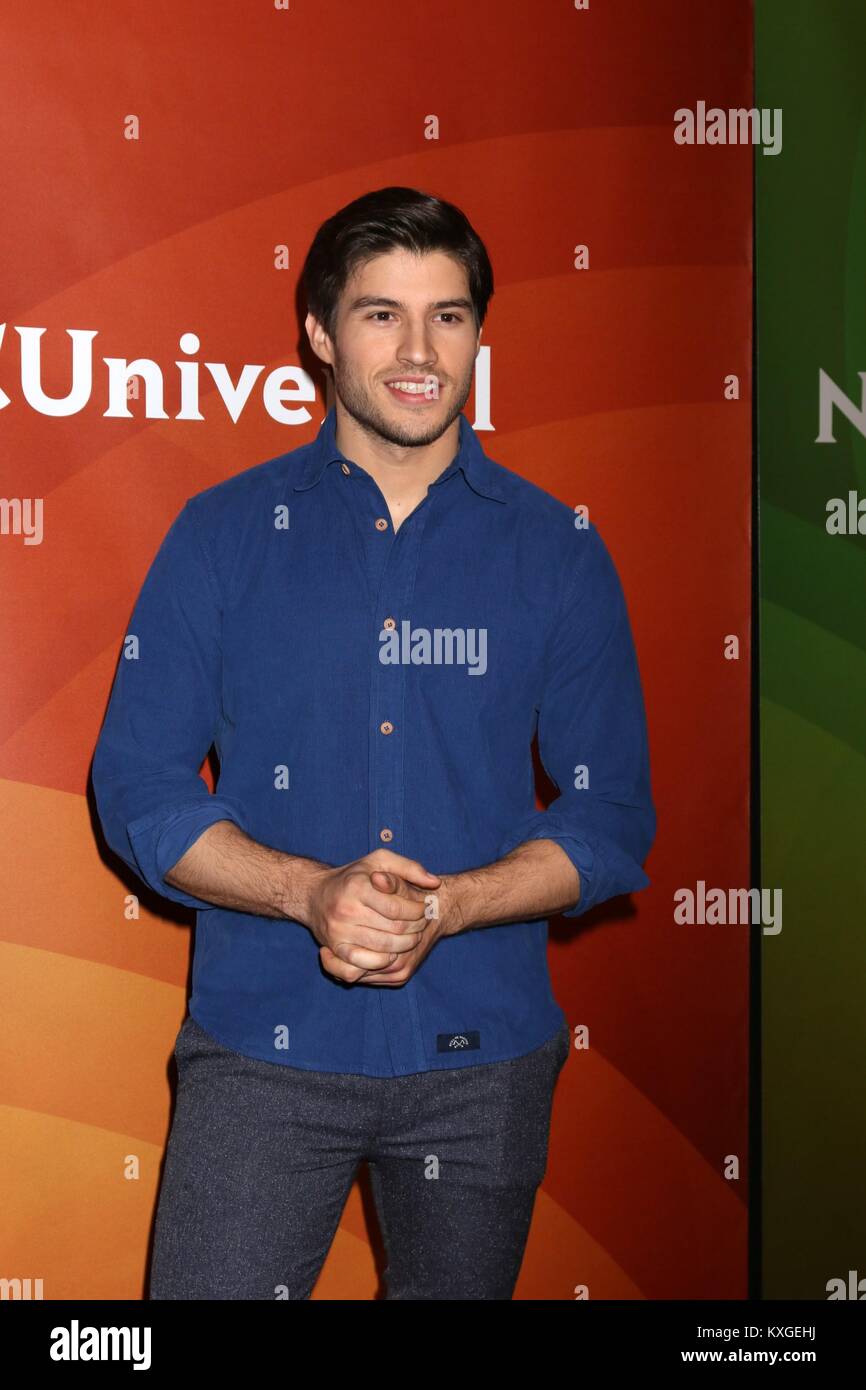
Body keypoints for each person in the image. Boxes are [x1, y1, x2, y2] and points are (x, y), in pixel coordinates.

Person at [91, 185, 656, 1300]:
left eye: (446, 316)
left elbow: (608, 818)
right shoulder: (222, 534)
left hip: (482, 1058)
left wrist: (448, 906)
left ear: (477, 334)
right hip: (264, 1046)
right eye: (379, 313)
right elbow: (138, 786)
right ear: (317, 331)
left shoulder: (559, 552)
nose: (416, 350)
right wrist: (307, 893)